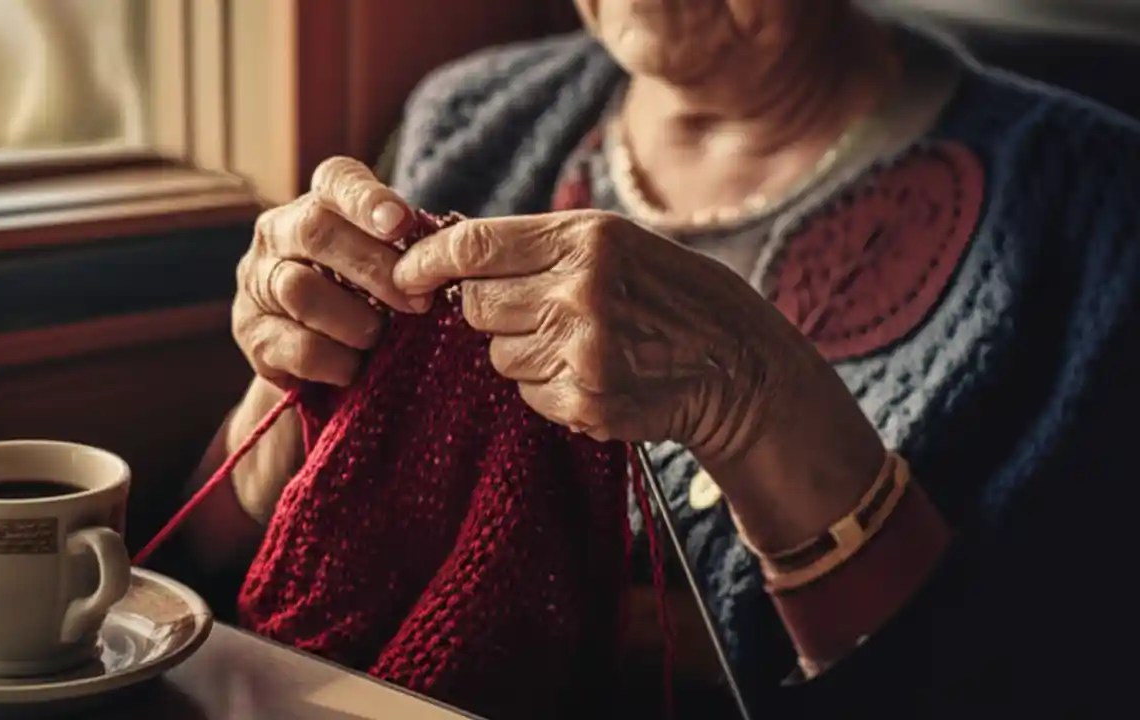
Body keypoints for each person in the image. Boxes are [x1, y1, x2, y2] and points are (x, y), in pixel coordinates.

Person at [172, 1, 1139, 717]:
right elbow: (206, 576)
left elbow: (1035, 679)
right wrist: (295, 386)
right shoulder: (472, 121)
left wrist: (758, 401)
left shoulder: (1091, 206)